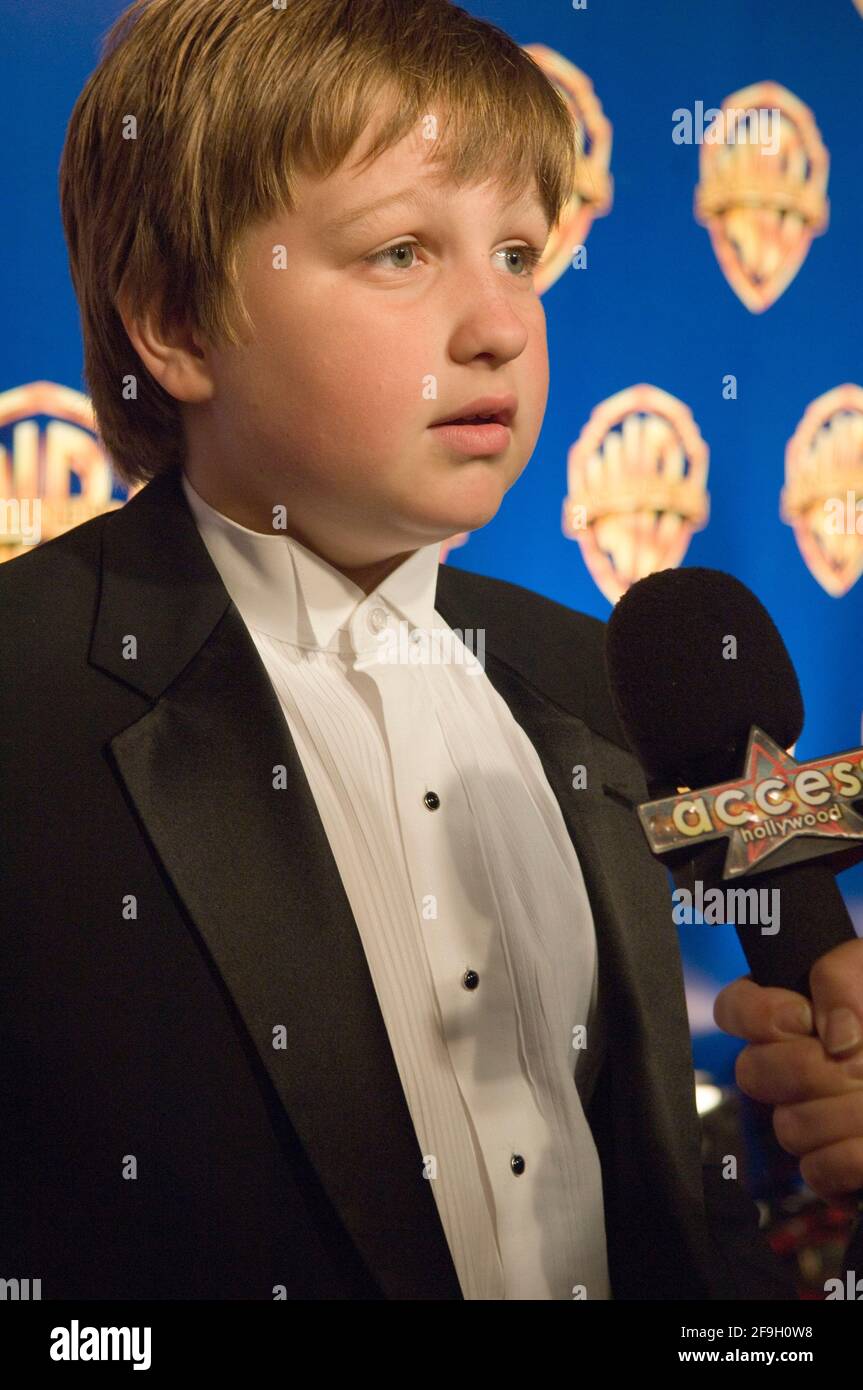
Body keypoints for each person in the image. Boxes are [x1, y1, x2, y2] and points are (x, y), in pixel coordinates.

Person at [2, 0, 862, 1301]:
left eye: (520, 252)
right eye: (403, 250)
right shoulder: (27, 702)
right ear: (173, 320)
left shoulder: (612, 682)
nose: (502, 325)